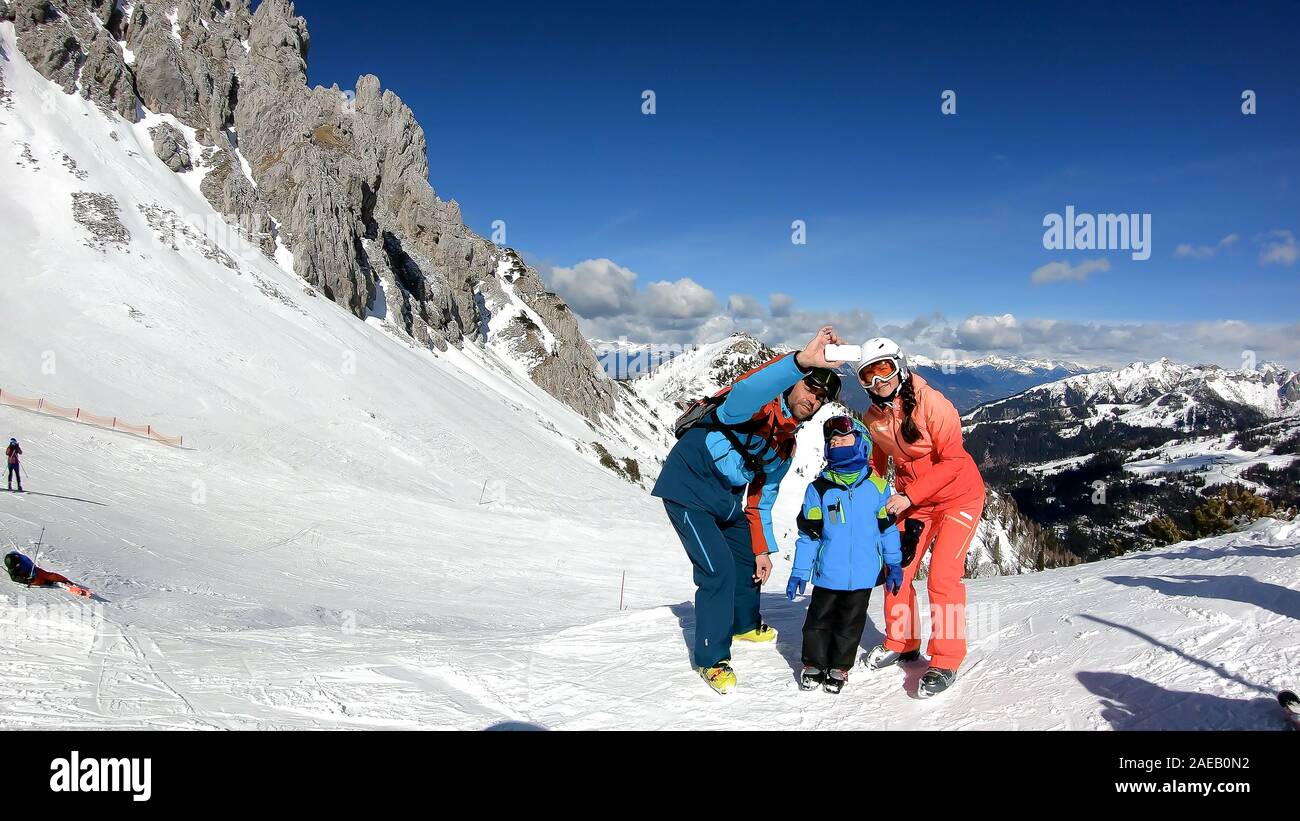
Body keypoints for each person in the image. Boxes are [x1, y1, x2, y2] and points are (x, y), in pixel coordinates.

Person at [653, 326, 845, 694]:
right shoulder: (752, 407)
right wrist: (801, 362)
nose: (814, 400)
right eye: (810, 388)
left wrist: (762, 549)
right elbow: (745, 390)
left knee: (746, 559)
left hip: (724, 500)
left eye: (821, 398)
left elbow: (761, 500)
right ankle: (712, 658)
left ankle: (743, 623)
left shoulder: (785, 445)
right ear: (793, 384)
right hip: (687, 489)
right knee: (717, 571)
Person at [856, 338, 985, 698]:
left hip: (958, 498)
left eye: (883, 369)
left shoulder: (933, 404)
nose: (877, 380)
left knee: (942, 578)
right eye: (868, 374)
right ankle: (903, 641)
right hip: (916, 503)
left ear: (899, 366)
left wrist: (908, 495)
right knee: (897, 572)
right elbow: (877, 463)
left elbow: (955, 461)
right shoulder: (874, 417)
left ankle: (946, 658)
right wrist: (870, 494)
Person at [787, 414, 902, 694]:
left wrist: (894, 562)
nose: (837, 444)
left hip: (863, 575)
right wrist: (800, 571)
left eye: (844, 439)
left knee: (850, 625)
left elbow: (887, 530)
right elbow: (810, 535)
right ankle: (813, 663)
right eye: (833, 441)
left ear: (861, 445)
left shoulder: (877, 487)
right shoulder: (819, 490)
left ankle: (840, 666)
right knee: (818, 621)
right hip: (828, 573)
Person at [3, 551, 91, 598]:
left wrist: (33, 573)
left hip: (32, 570)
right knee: (39, 581)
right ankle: (48, 582)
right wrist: (26, 580)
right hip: (25, 576)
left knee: (47, 575)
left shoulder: (22, 559)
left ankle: (66, 581)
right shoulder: (12, 568)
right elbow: (14, 578)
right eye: (16, 566)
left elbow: (30, 565)